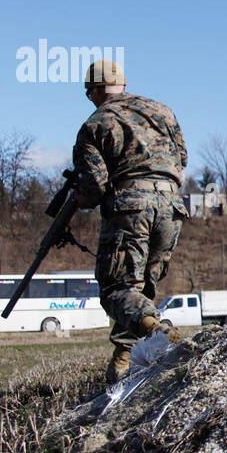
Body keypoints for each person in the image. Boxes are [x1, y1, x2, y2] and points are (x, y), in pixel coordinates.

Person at [72, 60, 188, 384]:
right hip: (172, 206)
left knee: (117, 289)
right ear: (123, 85)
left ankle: (164, 335)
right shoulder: (162, 111)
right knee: (142, 293)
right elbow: (182, 158)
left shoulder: (94, 124)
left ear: (93, 92)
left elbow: (94, 187)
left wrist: (81, 200)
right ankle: (122, 362)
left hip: (131, 205)